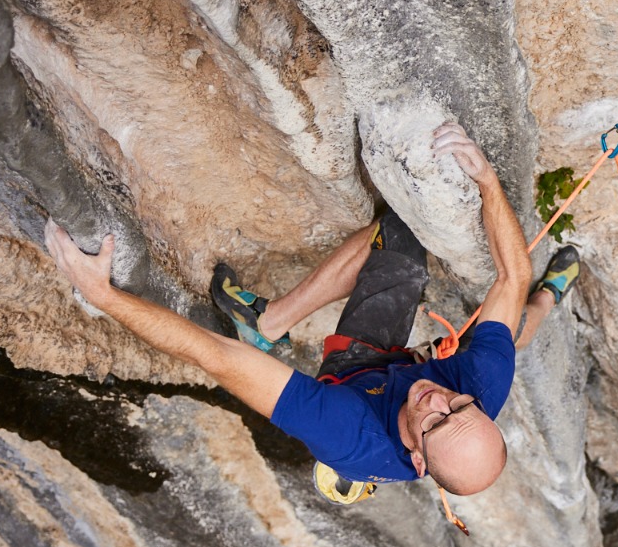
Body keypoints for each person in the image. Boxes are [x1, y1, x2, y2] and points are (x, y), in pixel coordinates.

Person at [45, 122, 580, 511]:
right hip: (406, 377)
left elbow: (217, 357)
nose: (439, 399)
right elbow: (510, 277)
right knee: (505, 317)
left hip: (360, 378)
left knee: (499, 315)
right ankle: (549, 298)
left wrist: (104, 296)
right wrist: (486, 180)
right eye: (459, 406)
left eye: (436, 421)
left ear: (418, 460)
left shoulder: (348, 433)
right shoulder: (477, 389)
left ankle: (548, 300)